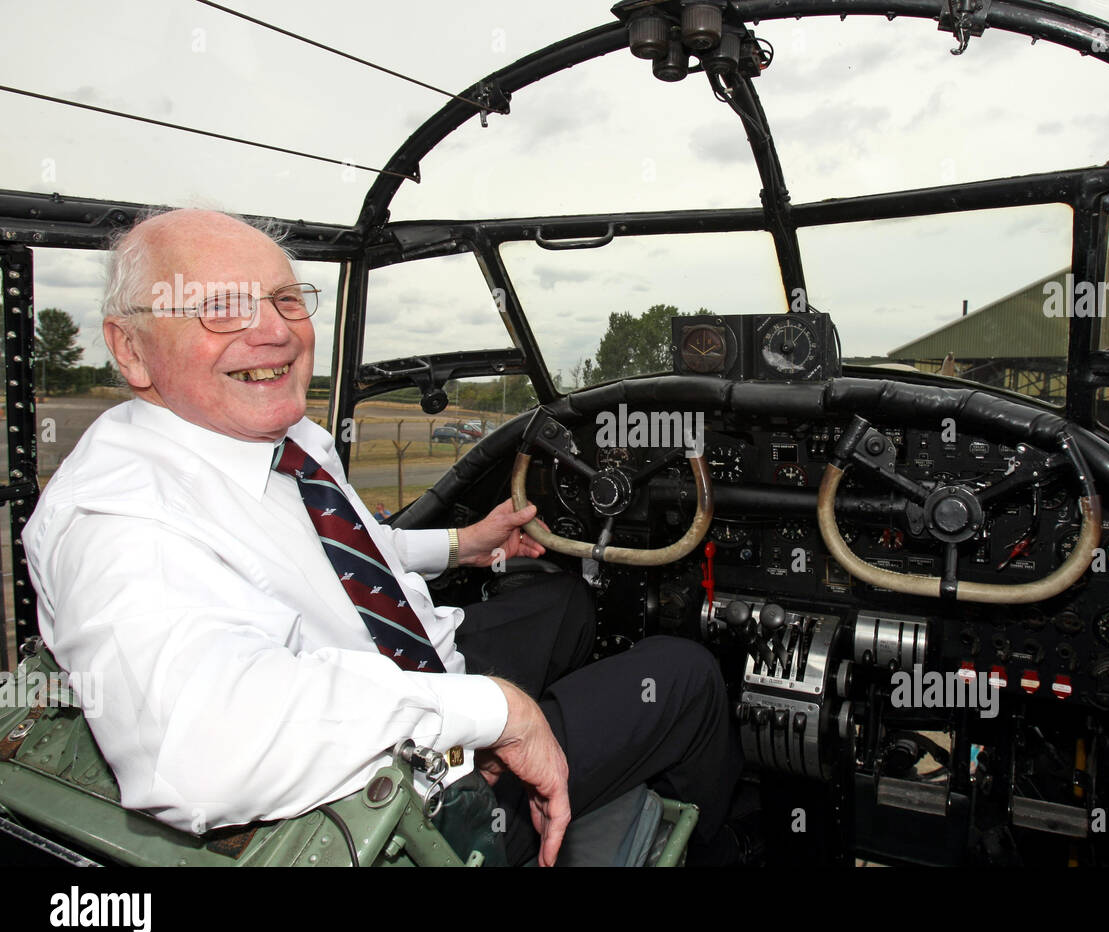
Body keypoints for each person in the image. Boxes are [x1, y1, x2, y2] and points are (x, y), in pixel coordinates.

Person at [22, 209, 741, 866]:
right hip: (409, 801)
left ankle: (537, 733)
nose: (273, 332)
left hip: (410, 674)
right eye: (220, 308)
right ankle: (720, 847)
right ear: (131, 349)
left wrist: (465, 544)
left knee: (563, 602)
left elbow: (344, 552)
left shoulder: (279, 435)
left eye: (283, 299)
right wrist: (495, 715)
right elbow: (200, 751)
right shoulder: (116, 521)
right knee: (685, 674)